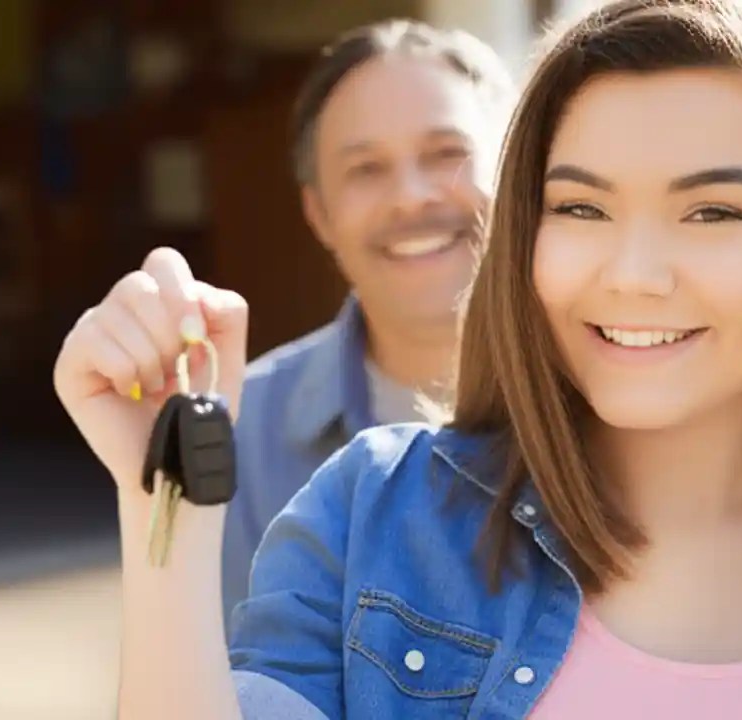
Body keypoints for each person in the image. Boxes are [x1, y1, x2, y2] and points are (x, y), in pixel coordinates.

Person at [53, 1, 742, 718]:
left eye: (711, 210)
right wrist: (171, 518)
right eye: (581, 206)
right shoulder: (375, 522)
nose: (632, 273)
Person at [209, 20, 514, 622]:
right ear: (319, 215)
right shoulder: (242, 433)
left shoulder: (616, 397)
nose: (410, 197)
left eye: (447, 154)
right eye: (366, 169)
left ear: (518, 176)